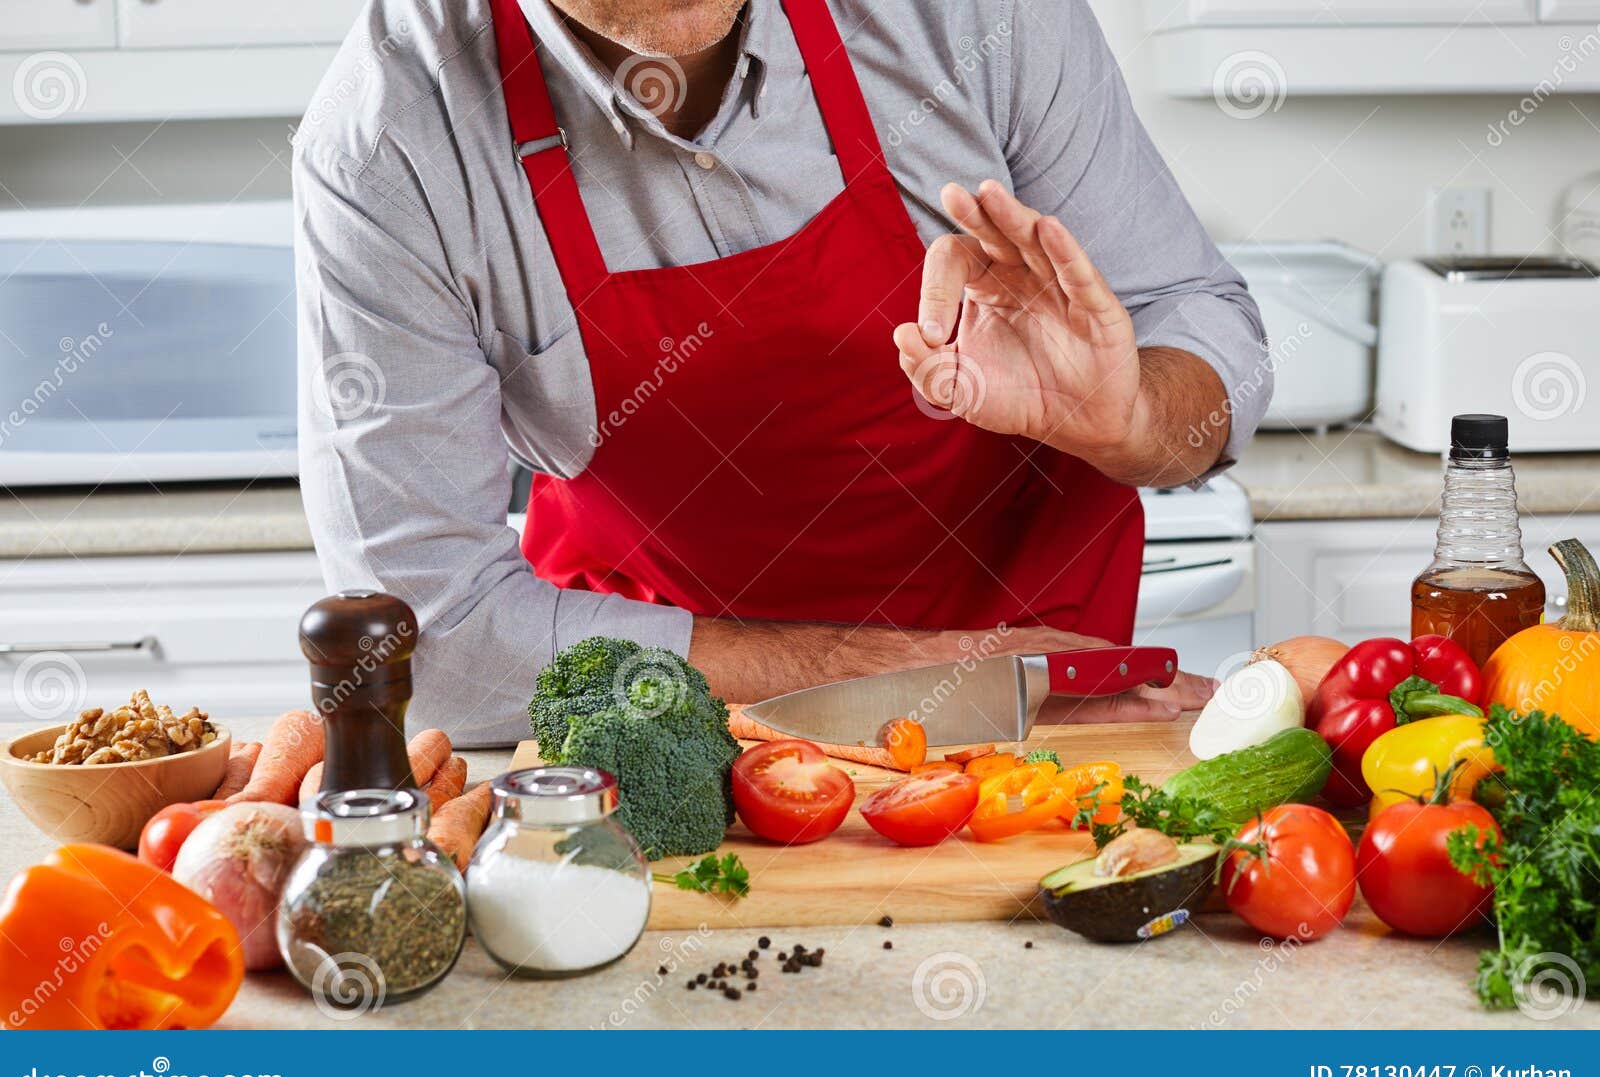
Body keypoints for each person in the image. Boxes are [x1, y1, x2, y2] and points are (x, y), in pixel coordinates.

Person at [295, 0, 1269, 744]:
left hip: (1043, 694)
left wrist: (1133, 415)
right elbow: (426, 637)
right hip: (664, 722)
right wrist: (888, 677)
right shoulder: (391, 138)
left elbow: (1195, 316)